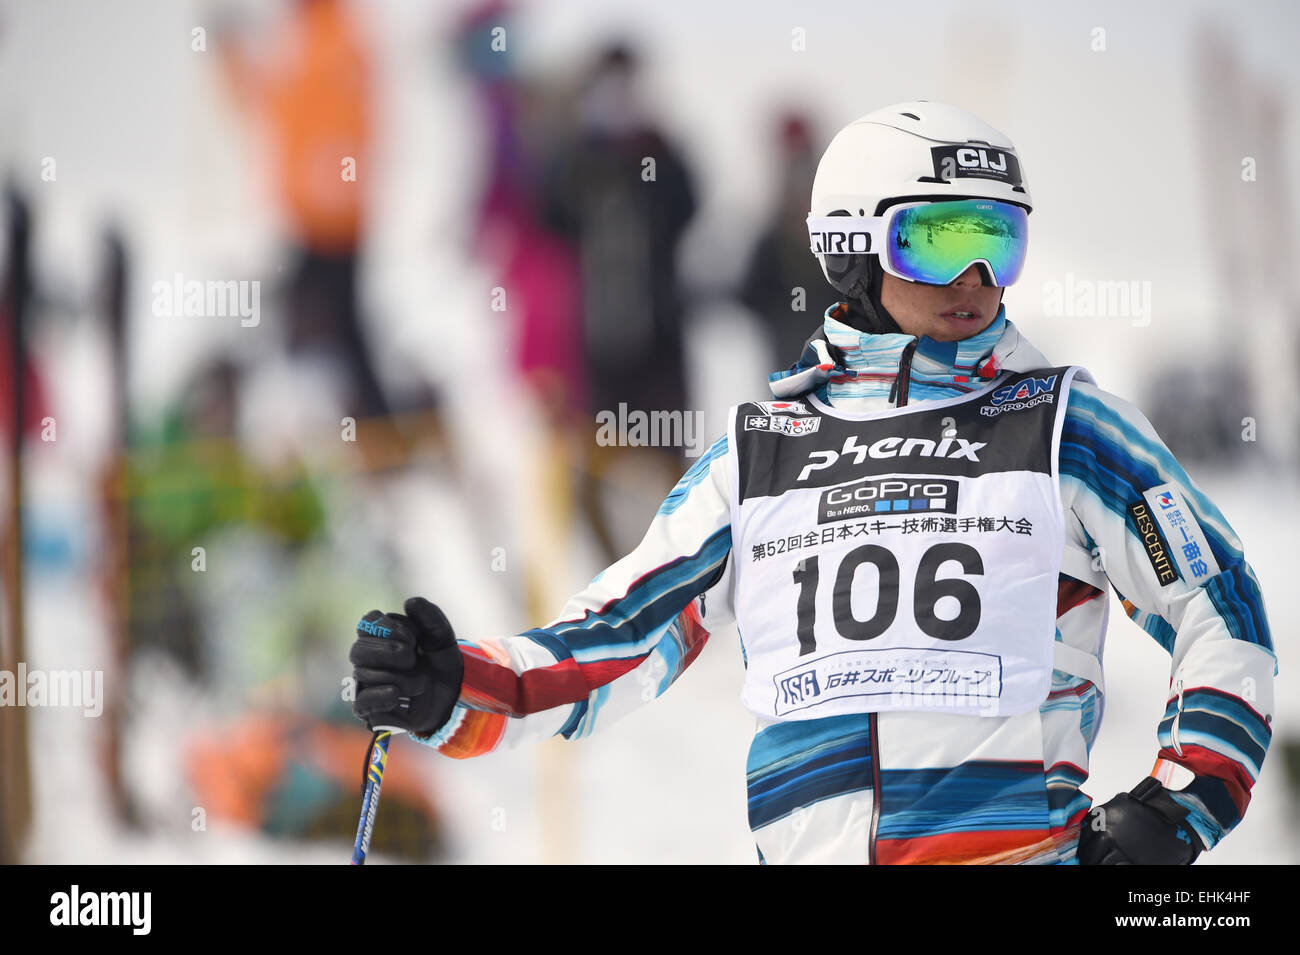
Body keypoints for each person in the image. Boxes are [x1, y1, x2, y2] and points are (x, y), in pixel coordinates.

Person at [348, 102, 1276, 865]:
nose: (979, 277)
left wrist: (1183, 798)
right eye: (941, 240)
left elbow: (1221, 604)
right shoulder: (764, 453)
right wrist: (453, 685)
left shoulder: (1067, 427)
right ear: (853, 248)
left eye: (1002, 241)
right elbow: (619, 637)